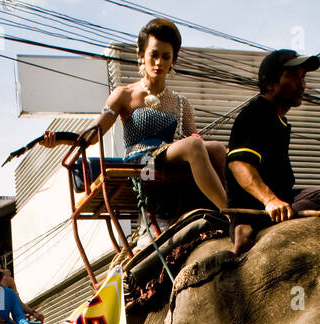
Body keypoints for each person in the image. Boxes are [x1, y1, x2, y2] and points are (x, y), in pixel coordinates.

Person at [42, 18, 228, 211]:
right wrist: (60, 139)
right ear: (141, 55)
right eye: (153, 55)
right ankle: (229, 212)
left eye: (165, 57)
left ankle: (238, 205)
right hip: (142, 164)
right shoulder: (124, 94)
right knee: (194, 145)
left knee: (216, 148)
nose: (159, 63)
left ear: (173, 60)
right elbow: (93, 134)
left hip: (167, 159)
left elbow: (195, 139)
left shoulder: (181, 103)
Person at [226, 49, 320, 254]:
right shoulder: (257, 112)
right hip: (255, 207)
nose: (302, 84)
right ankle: (252, 227)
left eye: (302, 77)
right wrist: (270, 201)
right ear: (268, 83)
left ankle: (272, 221)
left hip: (283, 199)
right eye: (293, 76)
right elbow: (239, 163)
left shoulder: (278, 119)